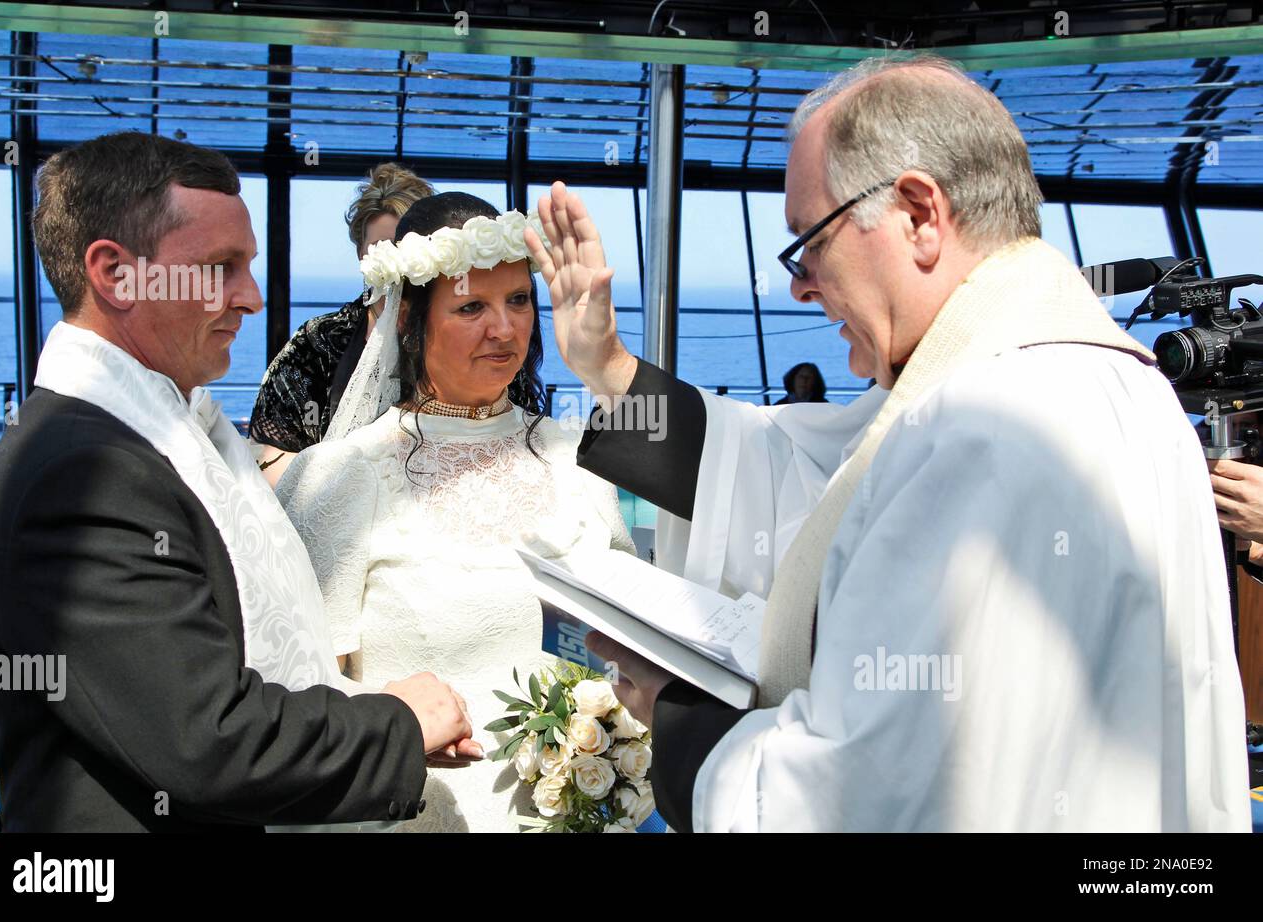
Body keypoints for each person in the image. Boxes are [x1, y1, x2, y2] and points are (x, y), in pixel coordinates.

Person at [527, 56, 1251, 832]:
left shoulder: (983, 423)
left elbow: (863, 796)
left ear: (917, 214)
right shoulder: (1116, 383)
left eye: (809, 239)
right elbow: (775, 460)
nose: (801, 285)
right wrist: (607, 371)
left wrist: (682, 725)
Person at [0, 132, 477, 832]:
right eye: (220, 268)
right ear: (116, 274)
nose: (253, 299)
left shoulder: (166, 435)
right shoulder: (79, 480)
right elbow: (206, 738)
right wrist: (396, 725)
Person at [275, 192, 638, 832]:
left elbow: (630, 640)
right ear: (408, 321)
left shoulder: (576, 457)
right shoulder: (340, 477)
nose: (504, 329)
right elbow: (299, 692)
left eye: (518, 301)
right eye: (471, 306)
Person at [250, 163, 434, 487]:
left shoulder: (465, 337)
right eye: (381, 249)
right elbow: (269, 450)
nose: (396, 263)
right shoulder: (317, 342)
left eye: (407, 248)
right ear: (360, 255)